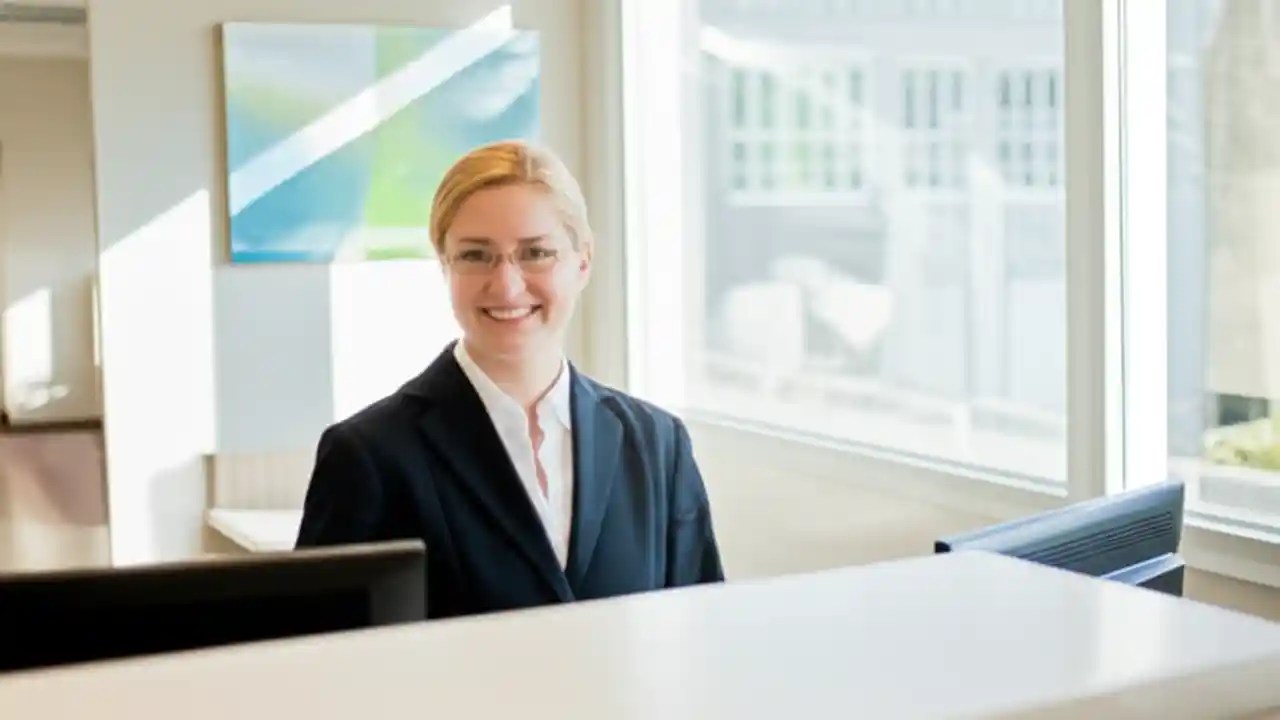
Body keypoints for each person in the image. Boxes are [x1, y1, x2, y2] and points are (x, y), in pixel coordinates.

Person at [295, 140, 724, 619]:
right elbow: (316, 652)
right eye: (476, 255)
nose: (506, 285)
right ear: (444, 265)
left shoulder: (658, 446)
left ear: (583, 261)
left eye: (535, 252)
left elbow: (697, 632)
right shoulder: (369, 455)